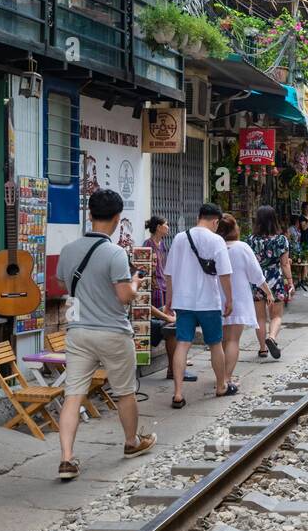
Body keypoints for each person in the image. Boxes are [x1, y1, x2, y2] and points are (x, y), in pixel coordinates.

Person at [55, 190, 156, 480]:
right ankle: (131, 442)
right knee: (125, 392)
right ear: (117, 218)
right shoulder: (115, 254)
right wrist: (135, 283)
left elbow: (63, 282)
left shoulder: (68, 250)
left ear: (89, 215)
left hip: (78, 332)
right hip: (112, 332)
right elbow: (125, 297)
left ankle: (66, 459)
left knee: (73, 395)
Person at [166, 203, 235, 408]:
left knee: (183, 343)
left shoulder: (179, 238)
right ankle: (221, 385)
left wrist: (169, 300)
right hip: (208, 302)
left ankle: (178, 393)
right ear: (215, 221)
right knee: (215, 344)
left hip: (183, 301)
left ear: (199, 217)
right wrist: (229, 300)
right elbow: (224, 274)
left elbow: (169, 273)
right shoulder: (217, 240)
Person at [217, 214, 273, 386]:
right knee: (233, 340)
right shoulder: (242, 247)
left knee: (221, 341)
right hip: (238, 299)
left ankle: (220, 378)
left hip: (216, 298)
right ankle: (226, 379)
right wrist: (268, 292)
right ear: (234, 228)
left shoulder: (214, 247)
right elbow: (256, 274)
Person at [143, 216, 190, 383]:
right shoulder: (148, 245)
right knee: (165, 324)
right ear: (158, 227)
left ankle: (177, 358)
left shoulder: (162, 244)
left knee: (169, 324)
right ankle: (176, 360)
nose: (168, 227)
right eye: (165, 225)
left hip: (163, 285)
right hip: (153, 287)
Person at [246, 205, 291, 360]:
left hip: (257, 280)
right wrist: (290, 281)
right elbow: (285, 263)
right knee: (276, 315)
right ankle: (271, 337)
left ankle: (262, 349)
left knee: (260, 317)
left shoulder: (250, 239)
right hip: (275, 279)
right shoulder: (281, 239)